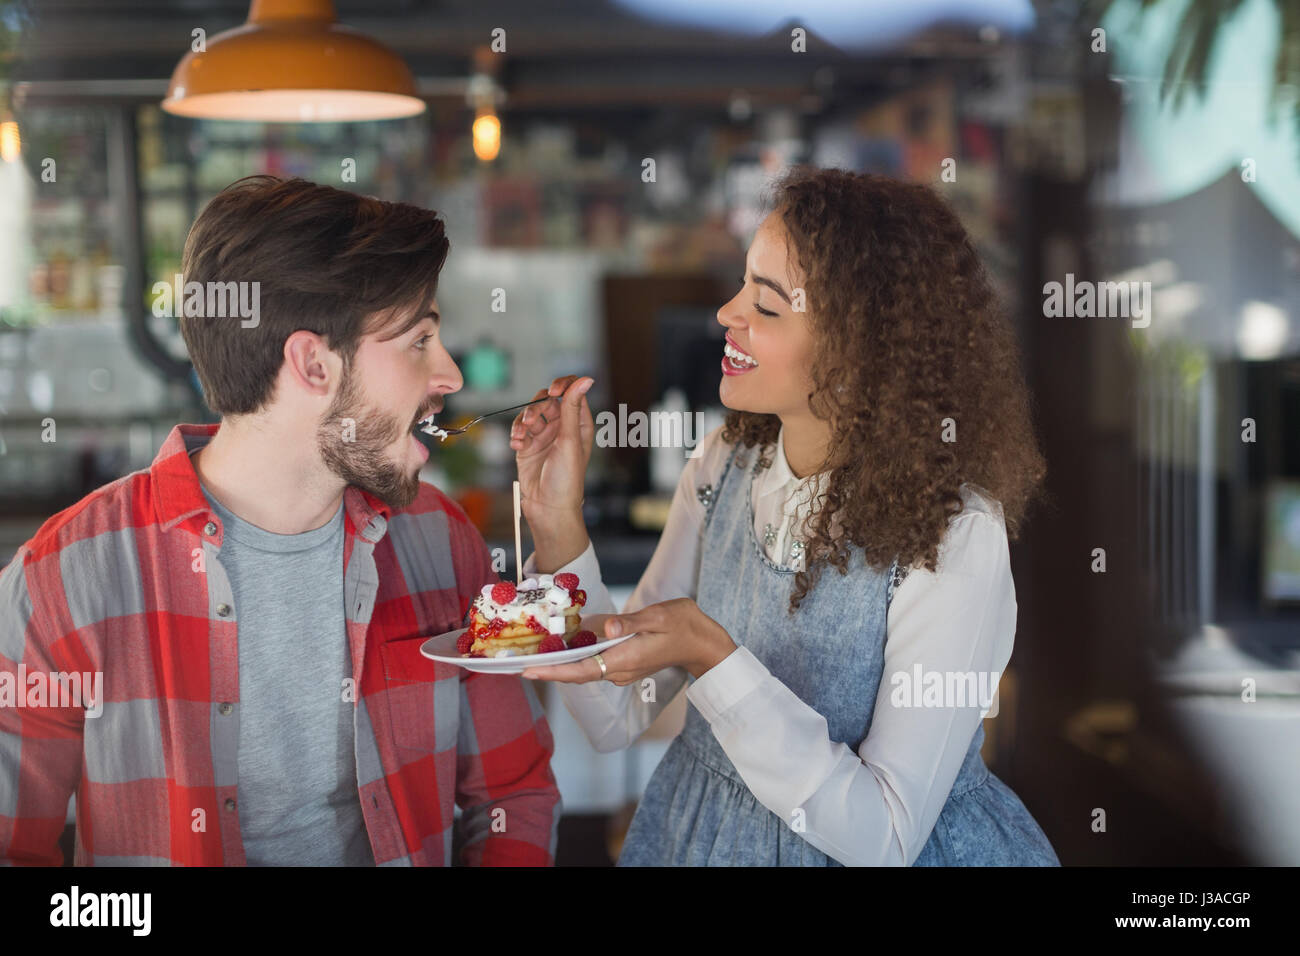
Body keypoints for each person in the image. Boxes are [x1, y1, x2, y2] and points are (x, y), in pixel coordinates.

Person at [0, 176, 561, 866]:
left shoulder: (444, 542)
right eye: (419, 341)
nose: (448, 375)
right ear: (313, 365)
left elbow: (513, 794)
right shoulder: (62, 579)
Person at [510, 166, 1060, 866]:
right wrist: (556, 519)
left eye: (766, 307)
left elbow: (885, 839)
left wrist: (713, 656)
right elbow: (616, 714)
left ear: (859, 352)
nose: (726, 315)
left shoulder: (954, 531)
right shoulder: (721, 466)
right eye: (743, 284)